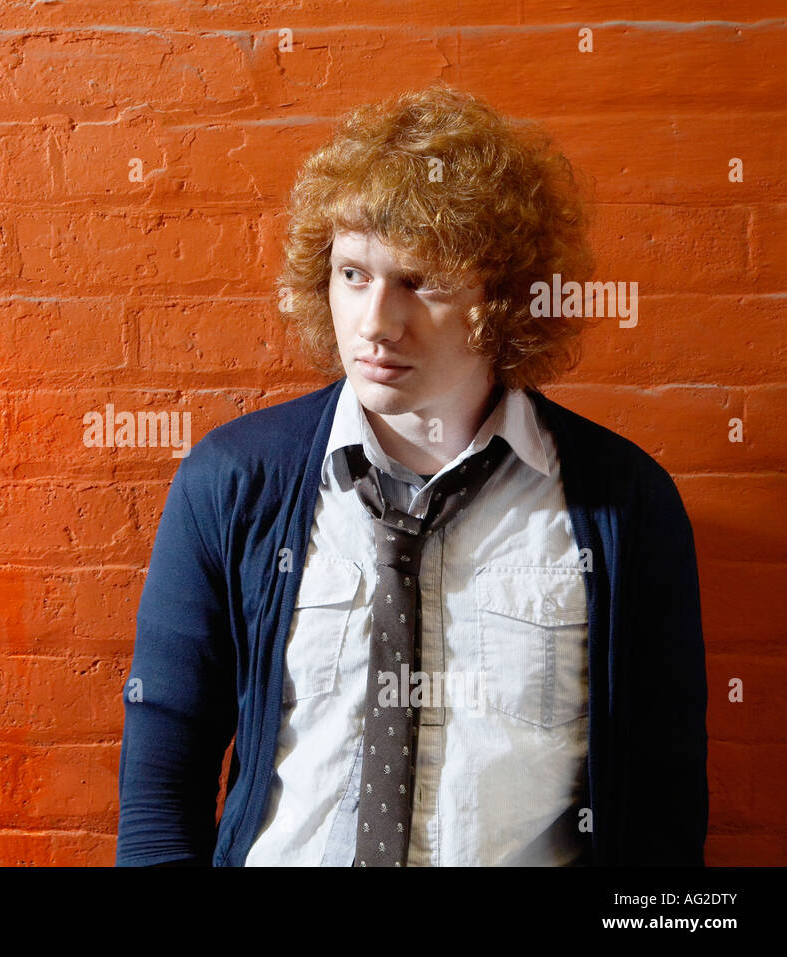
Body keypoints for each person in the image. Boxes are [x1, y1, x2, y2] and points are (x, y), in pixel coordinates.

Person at [115, 85, 707, 866]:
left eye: (420, 282)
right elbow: (163, 785)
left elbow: (664, 810)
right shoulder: (233, 482)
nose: (375, 323)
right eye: (353, 275)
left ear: (502, 301)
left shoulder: (625, 507)